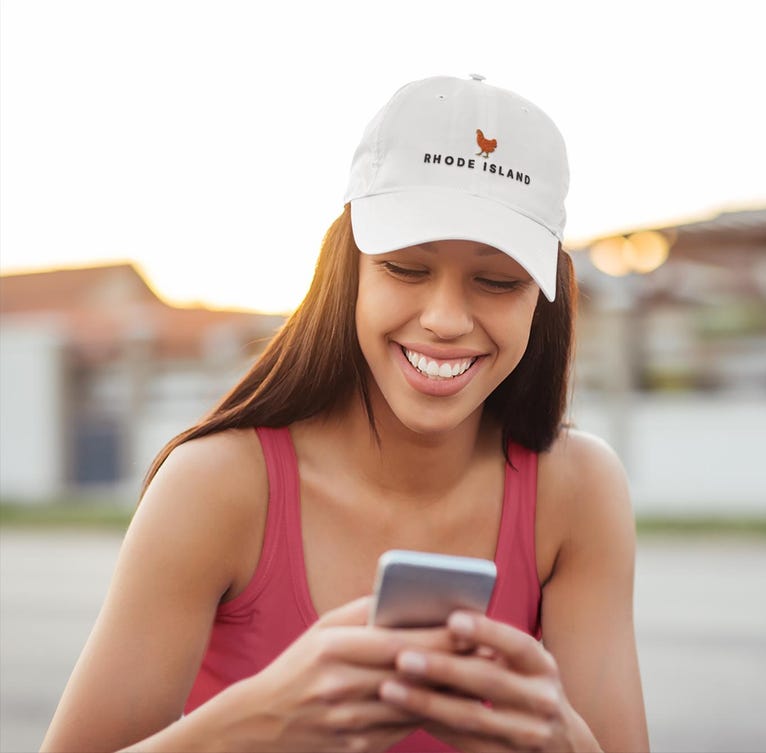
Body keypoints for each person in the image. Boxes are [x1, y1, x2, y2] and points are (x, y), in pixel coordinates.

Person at [40, 74, 649, 752]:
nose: (445, 319)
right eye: (405, 268)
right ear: (346, 269)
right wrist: (259, 722)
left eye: (497, 280)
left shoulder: (579, 489)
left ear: (545, 297)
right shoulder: (216, 484)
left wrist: (563, 740)